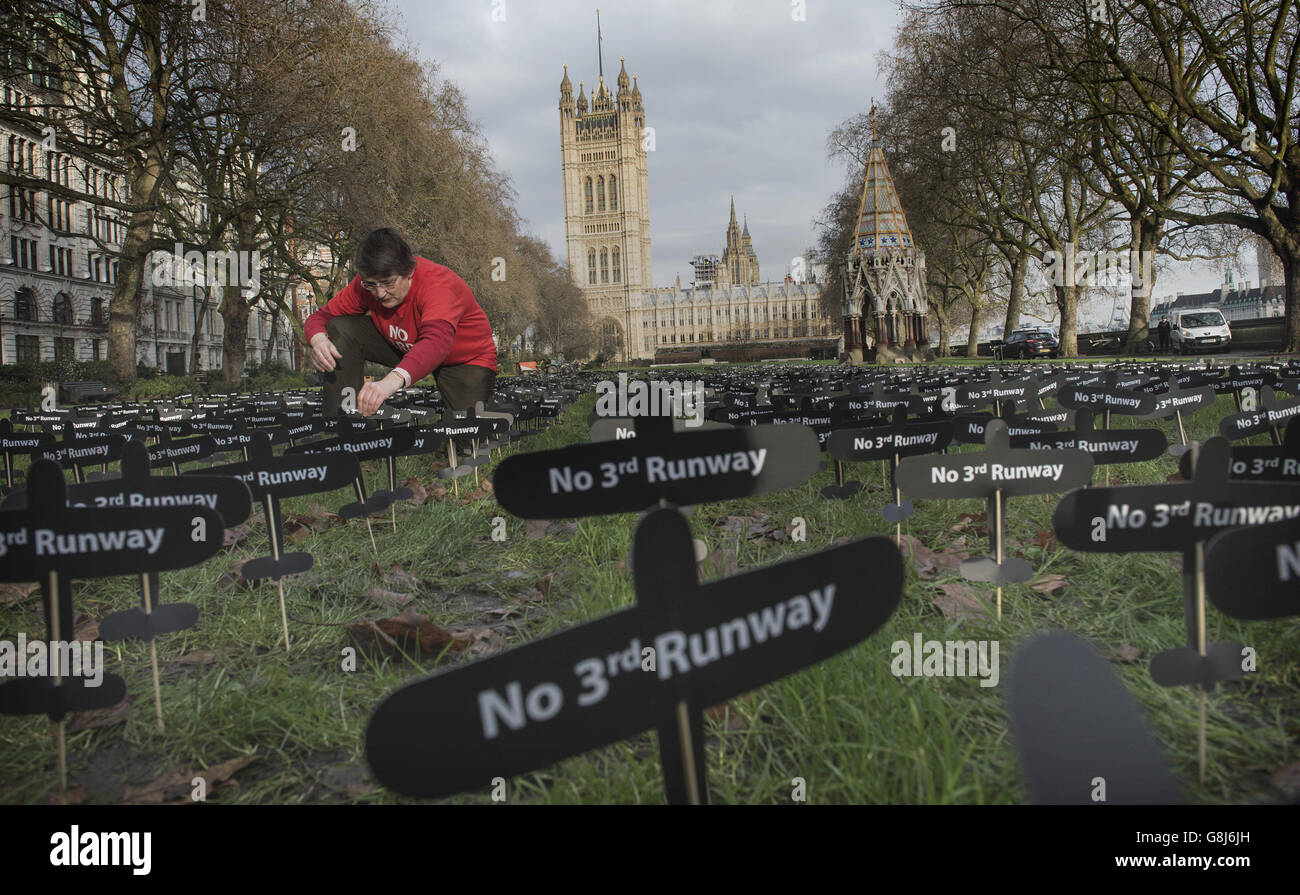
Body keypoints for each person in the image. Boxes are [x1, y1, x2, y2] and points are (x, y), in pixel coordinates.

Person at [303, 229, 498, 416]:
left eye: (388, 282)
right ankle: (342, 422)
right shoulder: (365, 285)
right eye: (371, 284)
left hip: (463, 359)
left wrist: (390, 382)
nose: (379, 293)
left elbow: (436, 343)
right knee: (340, 329)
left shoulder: (439, 284)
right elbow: (320, 317)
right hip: (405, 345)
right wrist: (319, 341)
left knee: (467, 435)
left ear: (409, 272)